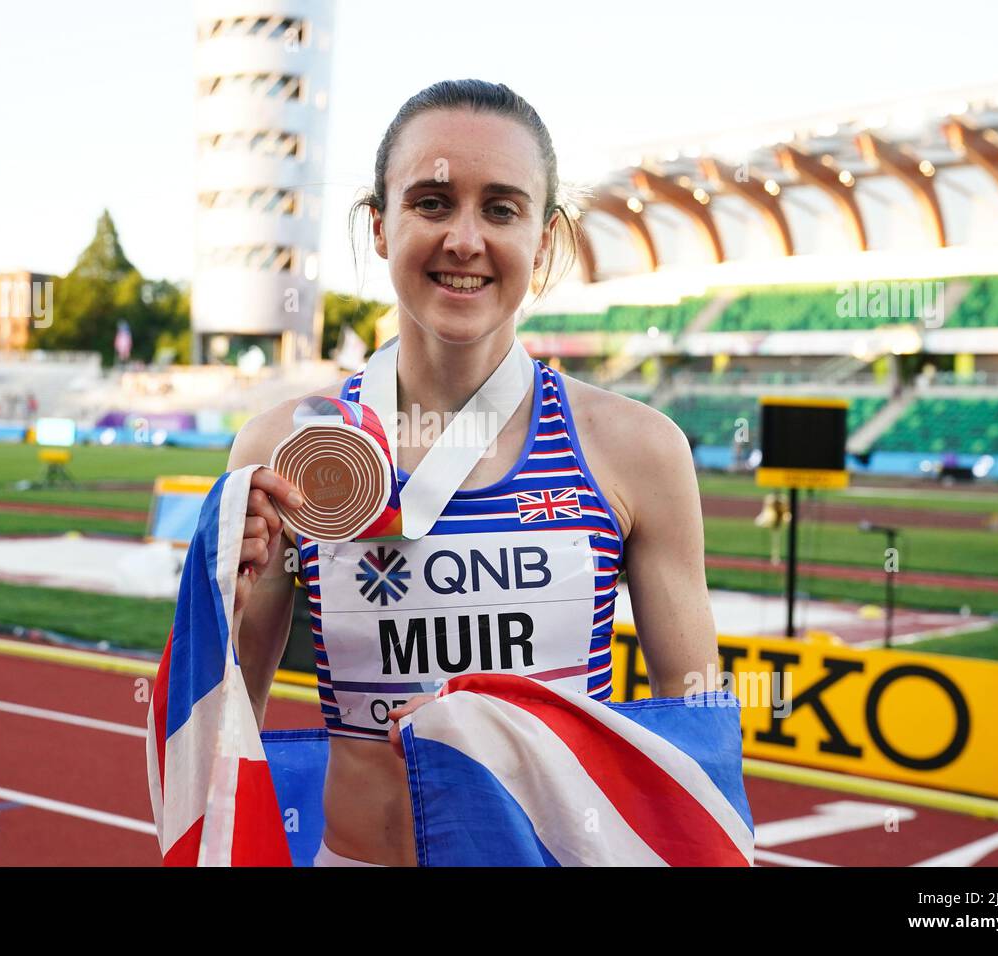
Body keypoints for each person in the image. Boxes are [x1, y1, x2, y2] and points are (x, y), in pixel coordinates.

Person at [225, 79, 719, 866]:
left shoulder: (637, 450)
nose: (464, 239)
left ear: (545, 239)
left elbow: (696, 738)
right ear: (380, 225)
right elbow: (222, 726)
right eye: (430, 202)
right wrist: (228, 601)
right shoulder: (289, 448)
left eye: (501, 208)